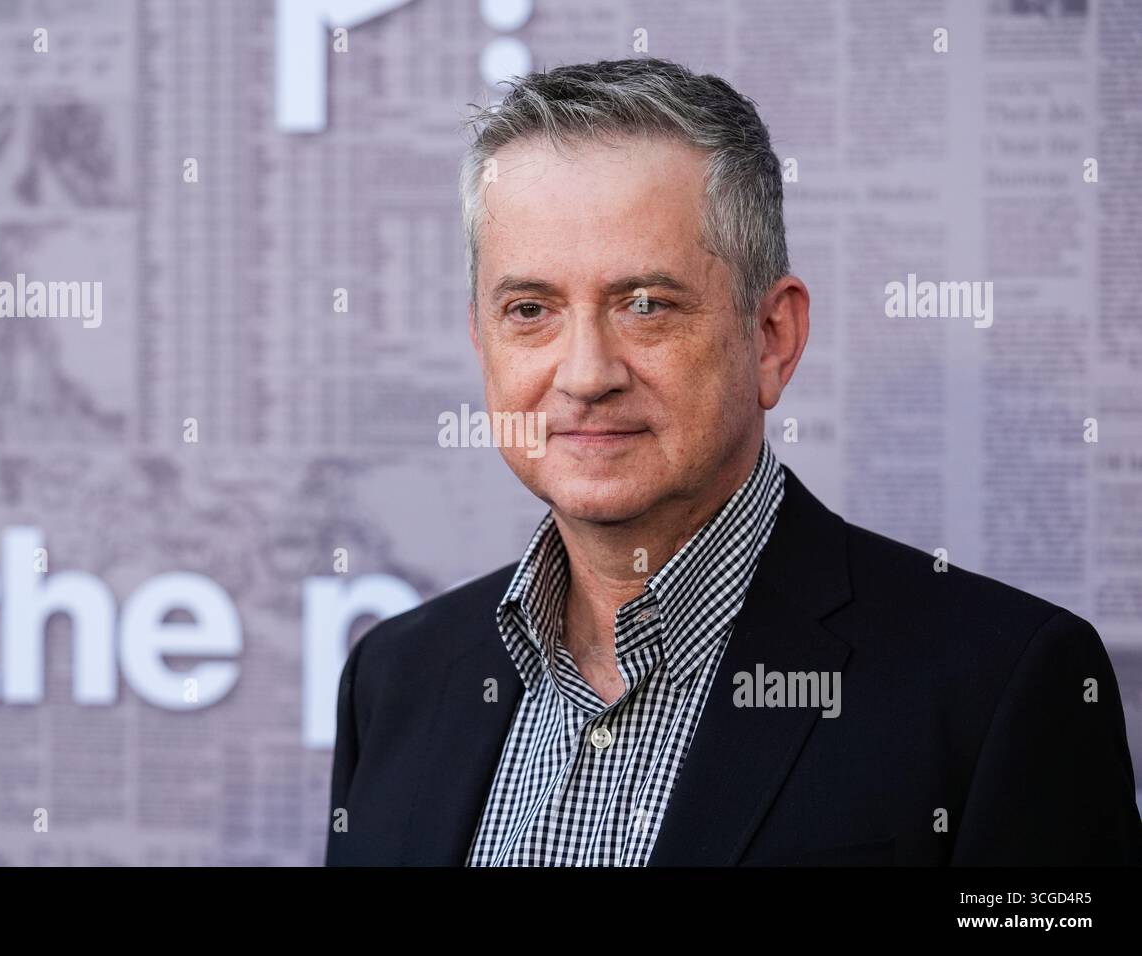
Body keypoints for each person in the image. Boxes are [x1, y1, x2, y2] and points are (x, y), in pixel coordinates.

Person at [325, 58, 1141, 866]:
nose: (584, 374)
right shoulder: (393, 679)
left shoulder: (1003, 687)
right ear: (482, 341)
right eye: (530, 310)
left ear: (772, 338)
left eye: (646, 305)